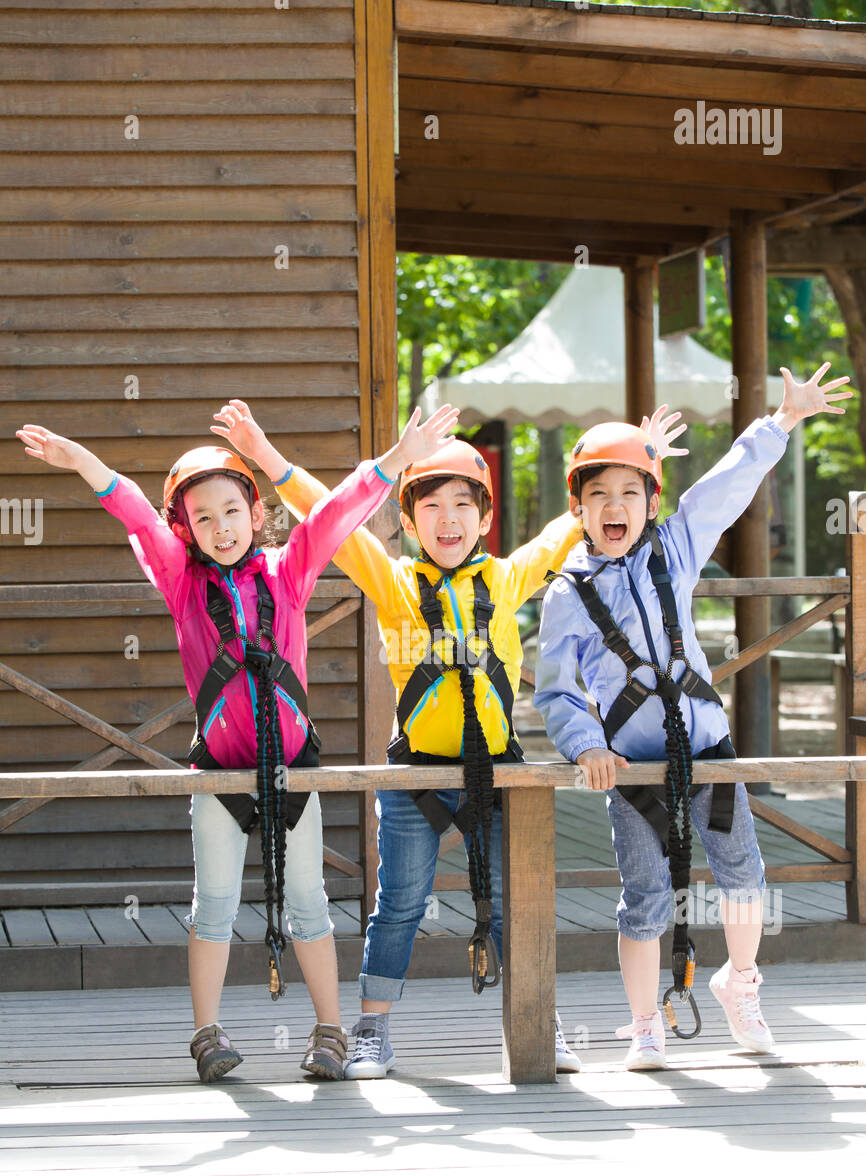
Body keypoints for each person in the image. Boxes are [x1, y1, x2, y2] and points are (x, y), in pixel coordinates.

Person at [16, 406, 458, 1083]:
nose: (219, 528)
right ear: (185, 531)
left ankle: (330, 1032)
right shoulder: (180, 581)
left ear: (257, 515)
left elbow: (336, 514)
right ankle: (206, 1034)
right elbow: (136, 515)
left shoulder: (288, 572)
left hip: (294, 770)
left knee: (310, 903)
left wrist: (398, 457)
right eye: (203, 518)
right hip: (218, 775)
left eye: (231, 511)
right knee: (214, 905)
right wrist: (84, 463)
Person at [209, 398, 587, 1077]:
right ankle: (372, 1031)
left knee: (516, 903)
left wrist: (620, 463)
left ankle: (541, 1023)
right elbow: (327, 514)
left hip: (497, 773)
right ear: (407, 522)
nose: (449, 521)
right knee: (400, 904)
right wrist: (264, 454)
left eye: (464, 507)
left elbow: (565, 531)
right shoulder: (393, 582)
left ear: (487, 518)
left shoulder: (504, 580)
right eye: (431, 508)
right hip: (414, 774)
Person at [533, 364, 852, 1070]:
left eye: (629, 492)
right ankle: (646, 1023)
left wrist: (784, 420)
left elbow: (724, 491)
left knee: (744, 877)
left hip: (708, 748)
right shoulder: (567, 595)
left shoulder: (673, 552)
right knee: (645, 896)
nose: (614, 506)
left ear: (651, 502)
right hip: (635, 766)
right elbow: (554, 691)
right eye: (598, 496)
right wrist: (586, 744)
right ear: (578, 511)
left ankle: (740, 983)